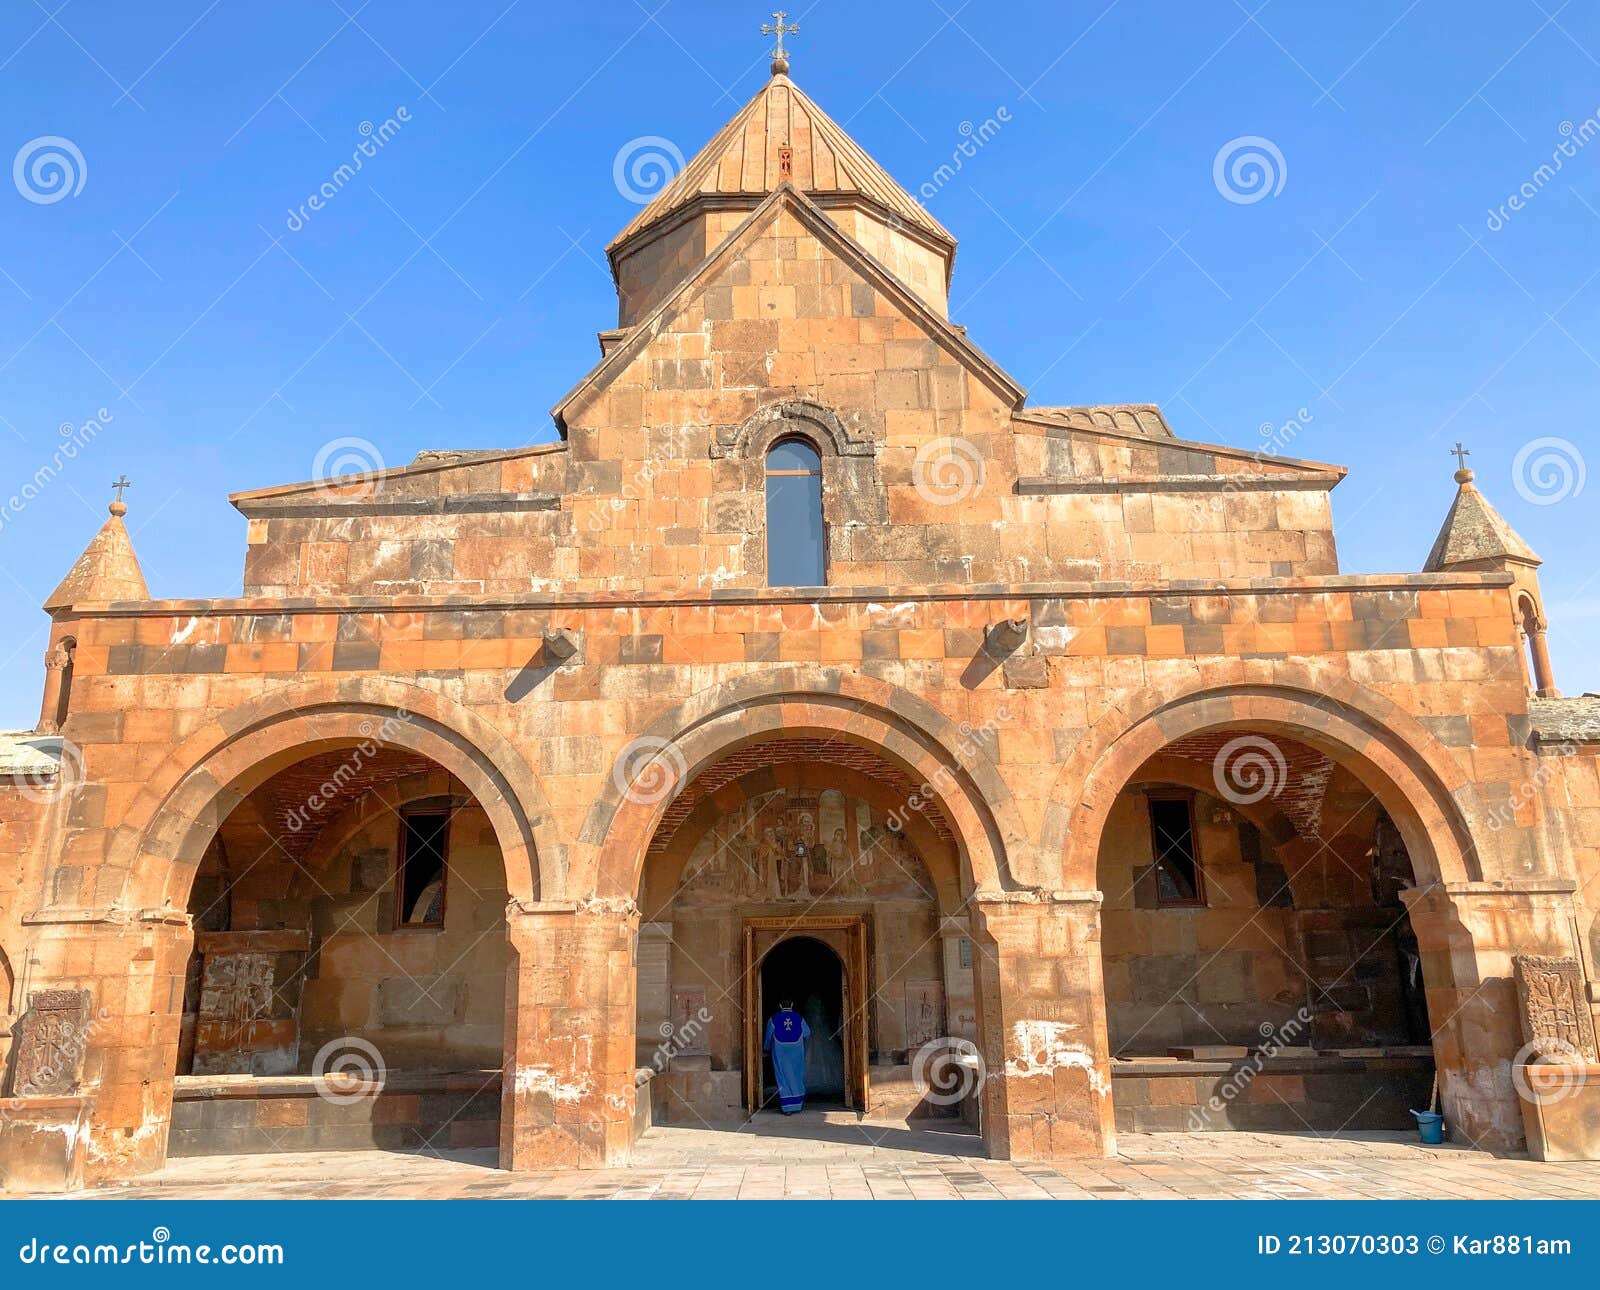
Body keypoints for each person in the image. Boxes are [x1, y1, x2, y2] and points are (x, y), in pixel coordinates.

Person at [763, 998, 811, 1114]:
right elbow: (807, 1033)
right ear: (792, 1004)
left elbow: (768, 1037)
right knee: (797, 1076)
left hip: (780, 1052)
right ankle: (797, 1105)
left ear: (779, 1005)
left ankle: (787, 1107)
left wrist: (766, 1049)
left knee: (783, 1077)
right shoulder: (799, 1018)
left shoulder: (773, 1019)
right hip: (796, 1051)